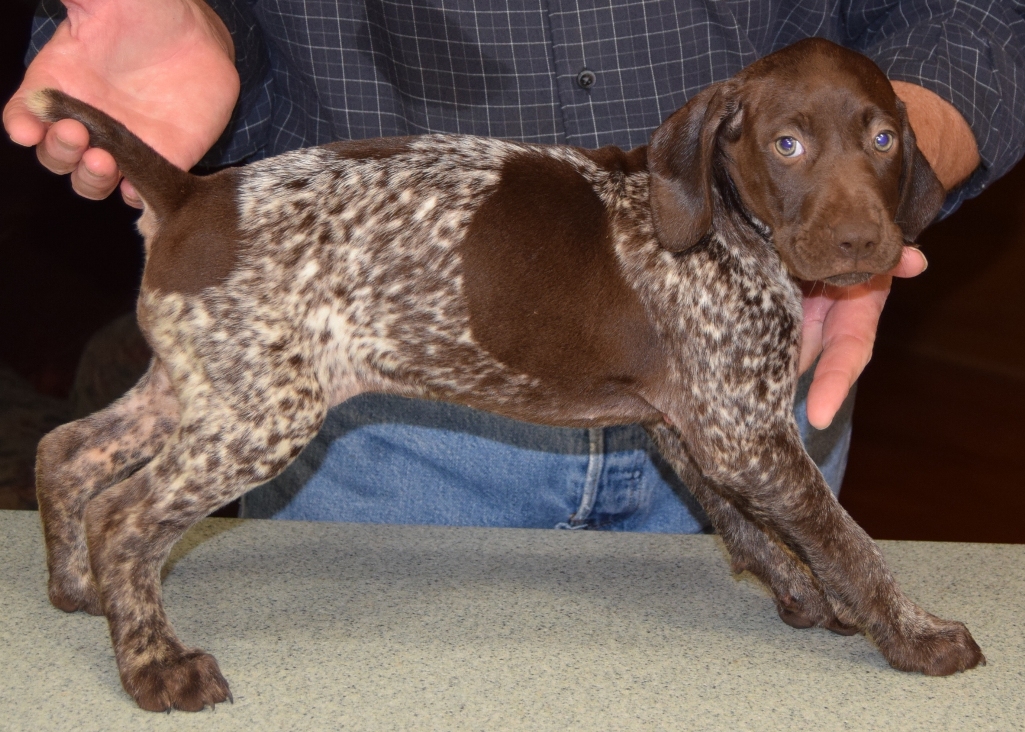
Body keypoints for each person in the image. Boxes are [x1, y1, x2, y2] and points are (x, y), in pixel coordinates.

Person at [5, 0, 1019, 531]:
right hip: (373, 418)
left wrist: (863, 170)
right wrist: (201, 12)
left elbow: (981, 13)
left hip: (762, 346)